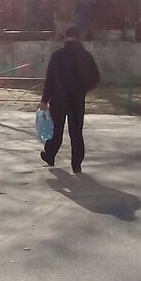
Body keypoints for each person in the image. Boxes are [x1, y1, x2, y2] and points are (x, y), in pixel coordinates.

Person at [39, 25, 100, 173]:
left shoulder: (57, 56)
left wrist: (44, 99)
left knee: (56, 131)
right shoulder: (86, 56)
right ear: (78, 38)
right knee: (76, 133)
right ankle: (76, 164)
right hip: (77, 100)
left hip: (58, 100)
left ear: (66, 38)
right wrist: (83, 90)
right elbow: (95, 78)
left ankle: (50, 155)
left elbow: (50, 79)